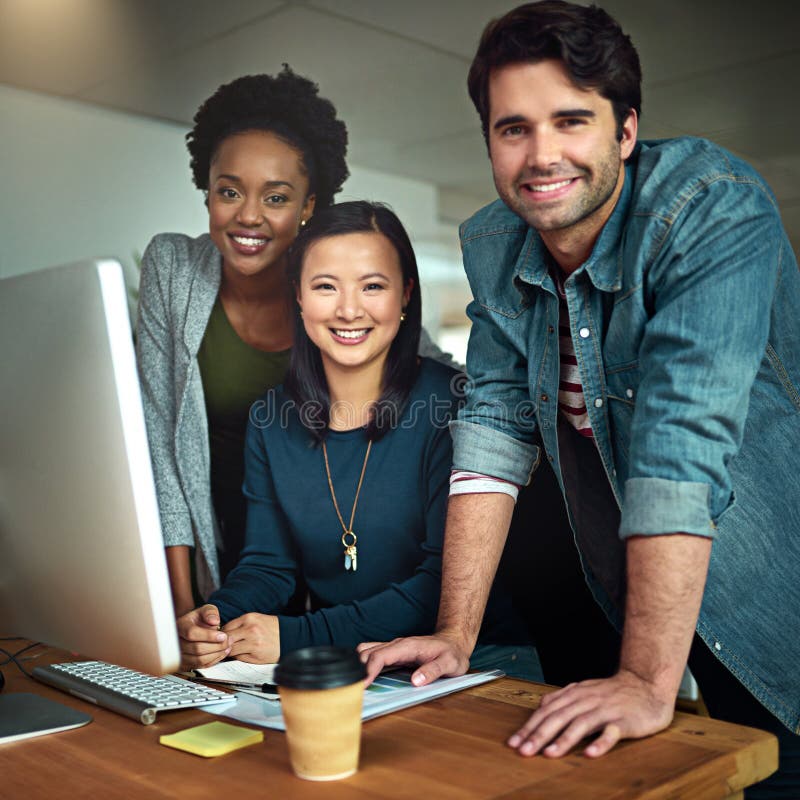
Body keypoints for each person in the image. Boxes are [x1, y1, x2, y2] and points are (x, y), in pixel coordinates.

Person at [358, 3, 800, 797]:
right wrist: (454, 636)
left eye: (571, 120)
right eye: (513, 128)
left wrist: (641, 677)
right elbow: (492, 430)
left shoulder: (711, 205)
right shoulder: (493, 244)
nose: (541, 154)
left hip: (775, 590)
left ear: (626, 130)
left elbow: (680, 444)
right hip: (646, 590)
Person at [175, 201, 540, 678]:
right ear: (299, 297)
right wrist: (215, 620)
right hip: (351, 663)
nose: (349, 310)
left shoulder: (457, 406)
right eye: (326, 286)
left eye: (373, 286)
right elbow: (268, 564)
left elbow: (436, 587)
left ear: (405, 295)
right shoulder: (269, 418)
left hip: (478, 664)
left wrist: (292, 638)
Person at [136, 69, 449, 616]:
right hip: (221, 528)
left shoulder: (335, 291)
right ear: (207, 191)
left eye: (276, 196)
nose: (249, 215)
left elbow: (405, 349)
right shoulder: (176, 270)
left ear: (308, 206)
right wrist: (182, 607)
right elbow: (160, 444)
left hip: (321, 519)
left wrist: (473, 406)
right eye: (229, 191)